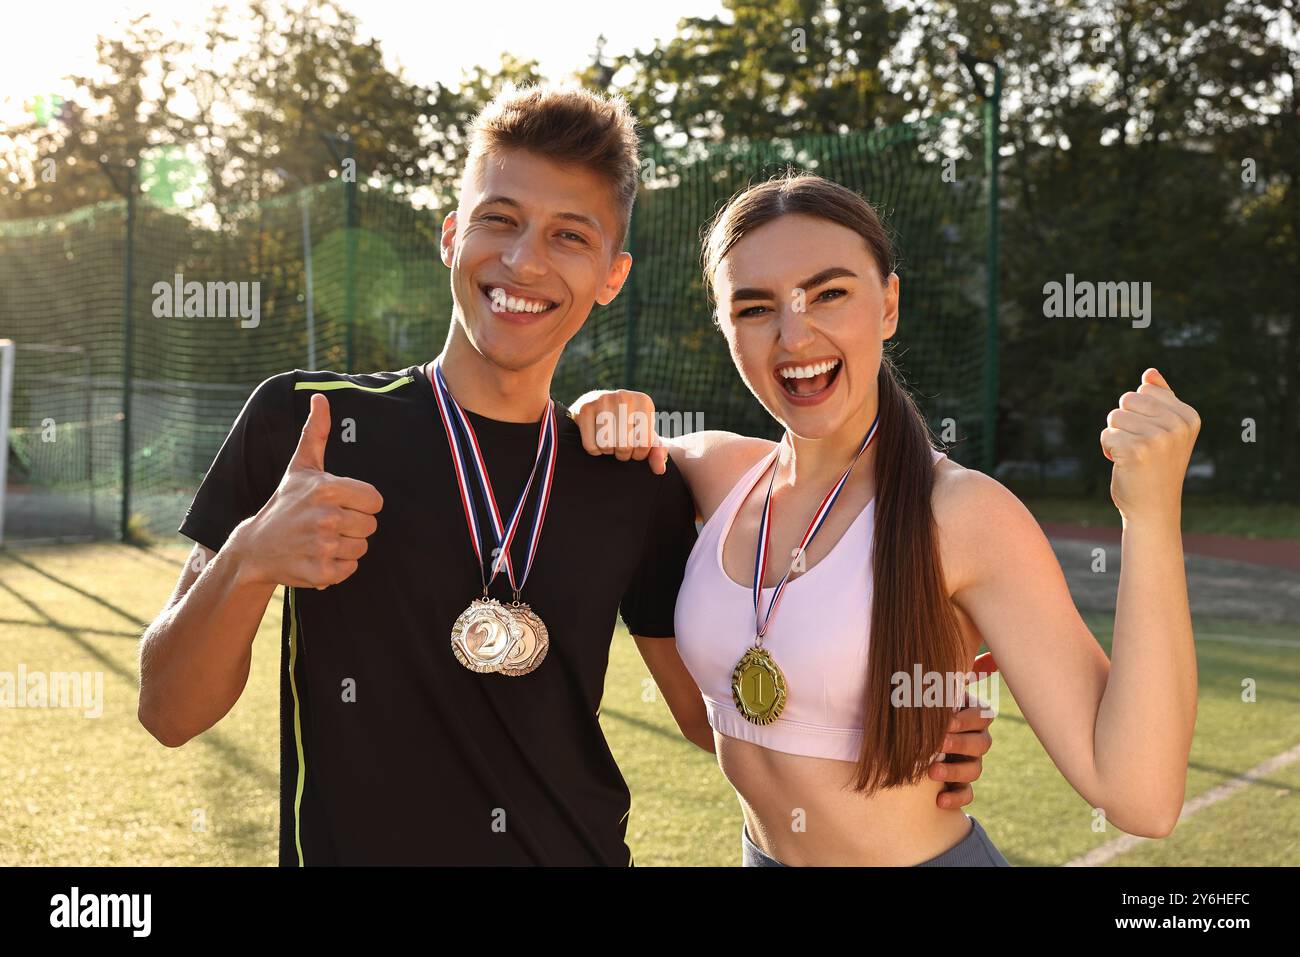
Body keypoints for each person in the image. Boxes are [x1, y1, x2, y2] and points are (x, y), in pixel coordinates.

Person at [135, 87, 992, 866]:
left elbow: (715, 716)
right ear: (450, 236)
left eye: (569, 236)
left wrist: (908, 720)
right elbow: (170, 712)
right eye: (499, 220)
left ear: (611, 275)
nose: (525, 262)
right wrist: (251, 556)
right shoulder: (307, 423)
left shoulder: (627, 476)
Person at [572, 172, 1201, 866]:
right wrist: (598, 404)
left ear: (889, 304)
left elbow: (1140, 795)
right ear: (725, 327)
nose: (793, 334)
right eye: (755, 308)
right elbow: (737, 724)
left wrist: (1150, 514)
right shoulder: (718, 475)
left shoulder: (961, 513)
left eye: (830, 293)